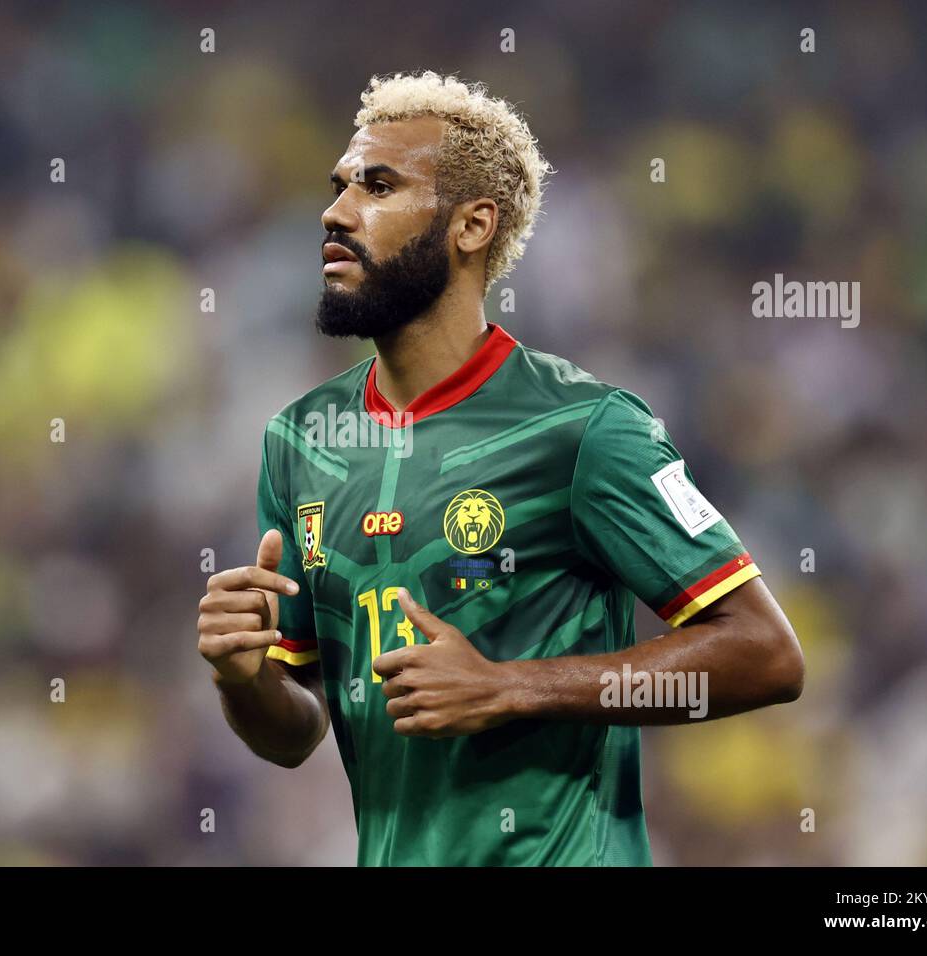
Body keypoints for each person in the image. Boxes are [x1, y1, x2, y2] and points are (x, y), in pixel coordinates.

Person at [197, 71, 803, 866]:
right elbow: (295, 731)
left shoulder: (584, 429)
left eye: (378, 186)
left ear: (472, 225)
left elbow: (765, 653)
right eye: (339, 186)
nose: (336, 212)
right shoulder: (301, 441)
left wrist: (509, 686)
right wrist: (243, 682)